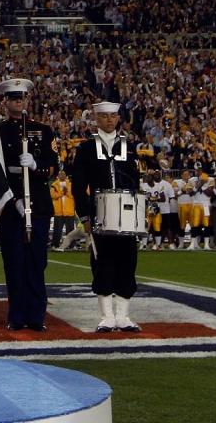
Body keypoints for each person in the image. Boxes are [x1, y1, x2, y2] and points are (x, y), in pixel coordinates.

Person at [70, 101, 142, 333]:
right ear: (96, 118)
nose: (110, 120)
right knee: (102, 263)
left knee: (127, 263)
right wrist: (85, 216)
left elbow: (135, 182)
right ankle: (107, 316)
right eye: (105, 116)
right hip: (99, 215)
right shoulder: (86, 148)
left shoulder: (128, 146)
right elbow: (78, 187)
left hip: (127, 218)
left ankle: (123, 316)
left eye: (113, 116)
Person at [0, 79, 58, 332]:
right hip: (12, 206)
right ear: (5, 102)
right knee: (14, 262)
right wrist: (13, 199)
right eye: (13, 98)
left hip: (39, 205)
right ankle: (16, 315)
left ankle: (36, 315)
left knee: (36, 262)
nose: (18, 102)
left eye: (22, 98)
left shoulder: (43, 130)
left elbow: (54, 166)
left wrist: (36, 165)